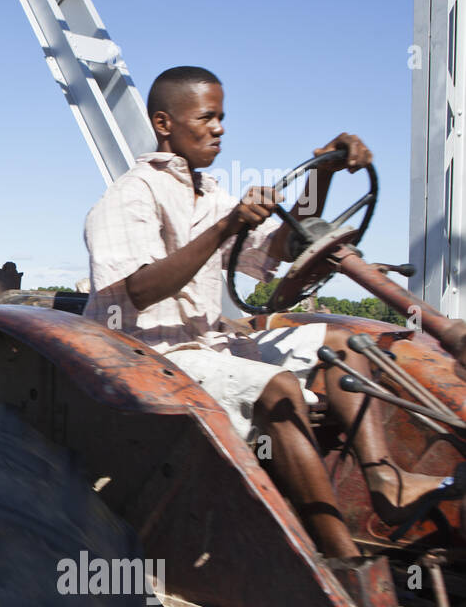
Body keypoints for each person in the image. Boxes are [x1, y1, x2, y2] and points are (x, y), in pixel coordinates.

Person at [83, 65, 456, 561]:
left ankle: (384, 483)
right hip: (147, 356)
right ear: (164, 123)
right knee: (278, 388)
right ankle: (343, 561)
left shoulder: (210, 195)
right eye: (207, 117)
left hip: (211, 342)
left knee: (340, 345)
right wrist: (225, 227)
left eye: (223, 117)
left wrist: (322, 170)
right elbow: (138, 291)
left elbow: (277, 248)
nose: (220, 128)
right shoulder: (129, 196)